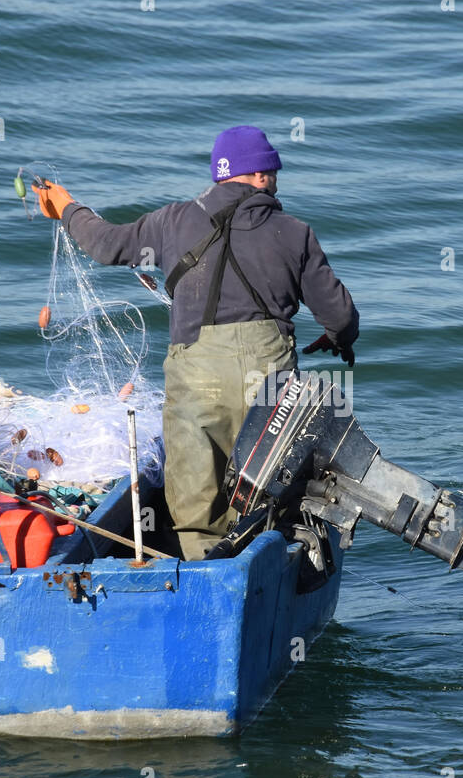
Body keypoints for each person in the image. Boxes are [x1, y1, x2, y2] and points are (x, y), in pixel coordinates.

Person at [32, 125, 359, 559]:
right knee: (270, 483)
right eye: (274, 171)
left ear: (220, 176)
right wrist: (339, 338)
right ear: (260, 176)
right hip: (269, 380)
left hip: (196, 380)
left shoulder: (171, 221)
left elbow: (106, 245)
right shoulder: (294, 233)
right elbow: (339, 314)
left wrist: (67, 207)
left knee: (196, 497)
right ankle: (268, 562)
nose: (276, 179)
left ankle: (206, 568)